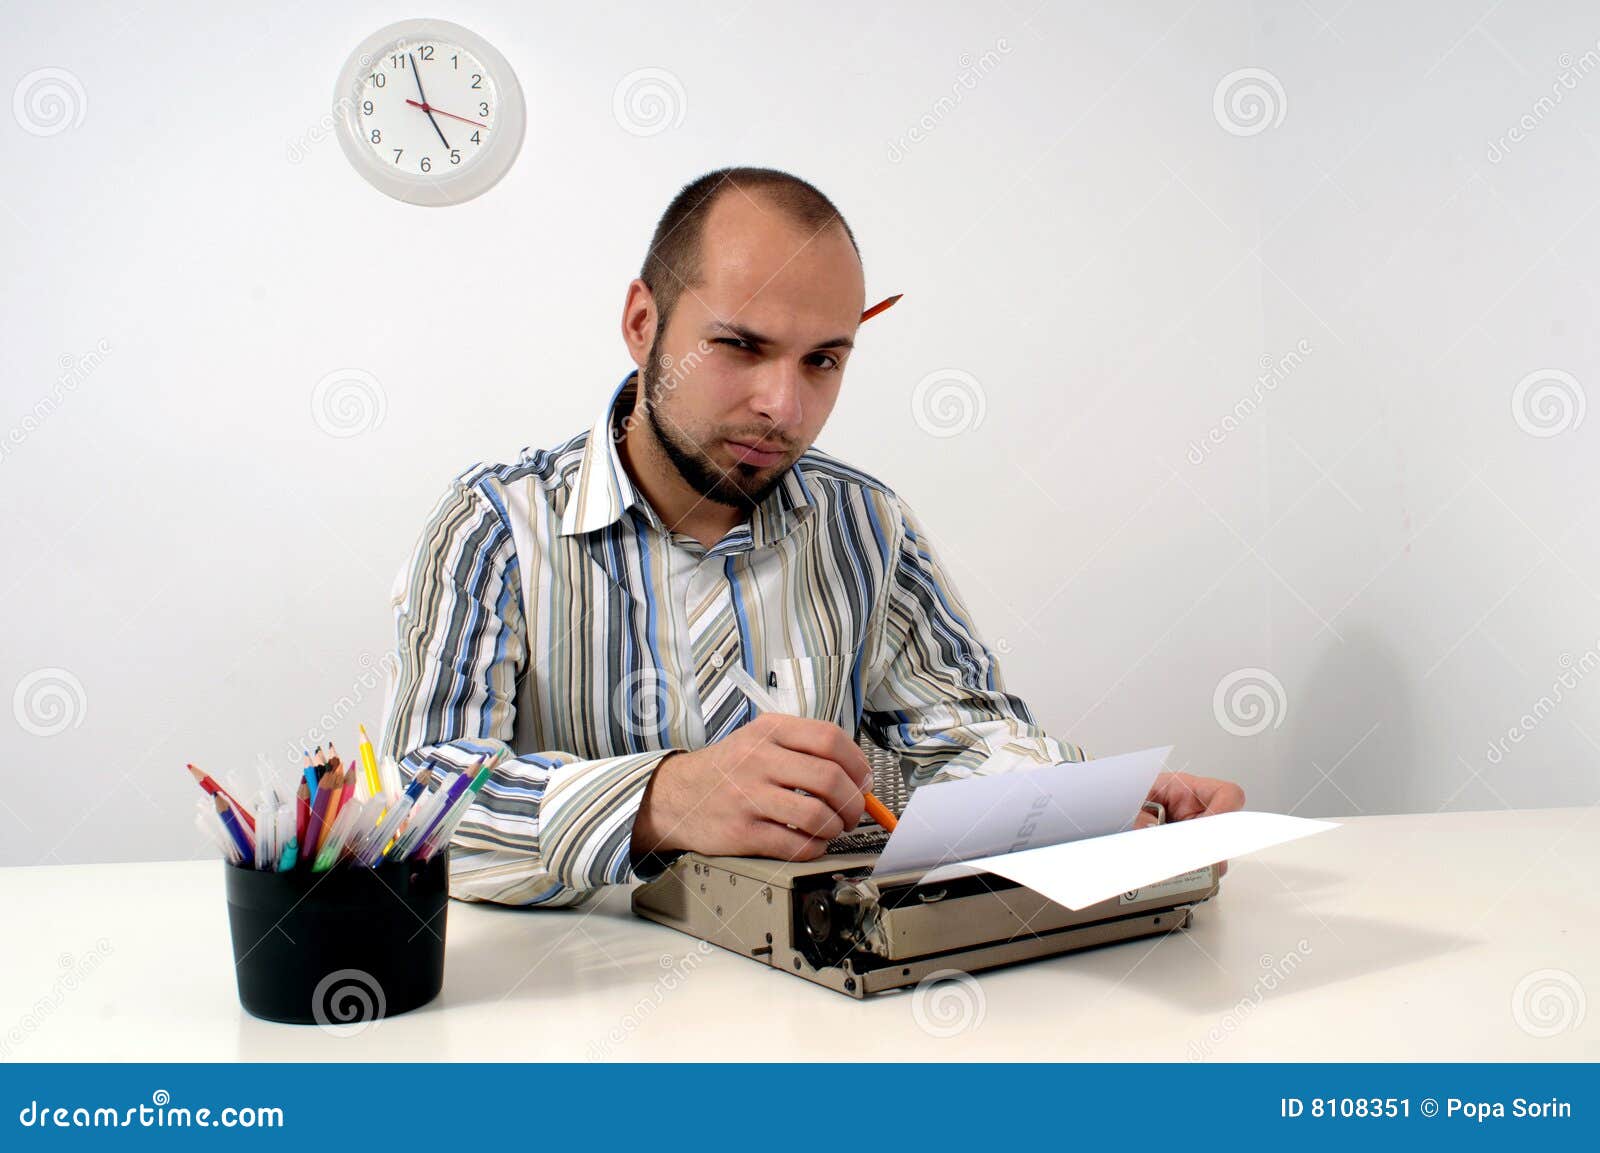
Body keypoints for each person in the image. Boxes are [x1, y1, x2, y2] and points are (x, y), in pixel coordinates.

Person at [379, 166, 1244, 906]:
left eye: (822, 360)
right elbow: (419, 808)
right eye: (739, 346)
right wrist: (661, 800)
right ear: (644, 323)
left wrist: (1074, 801)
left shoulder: (868, 524)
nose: (783, 408)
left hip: (833, 1008)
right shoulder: (495, 524)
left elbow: (956, 734)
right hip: (577, 1027)